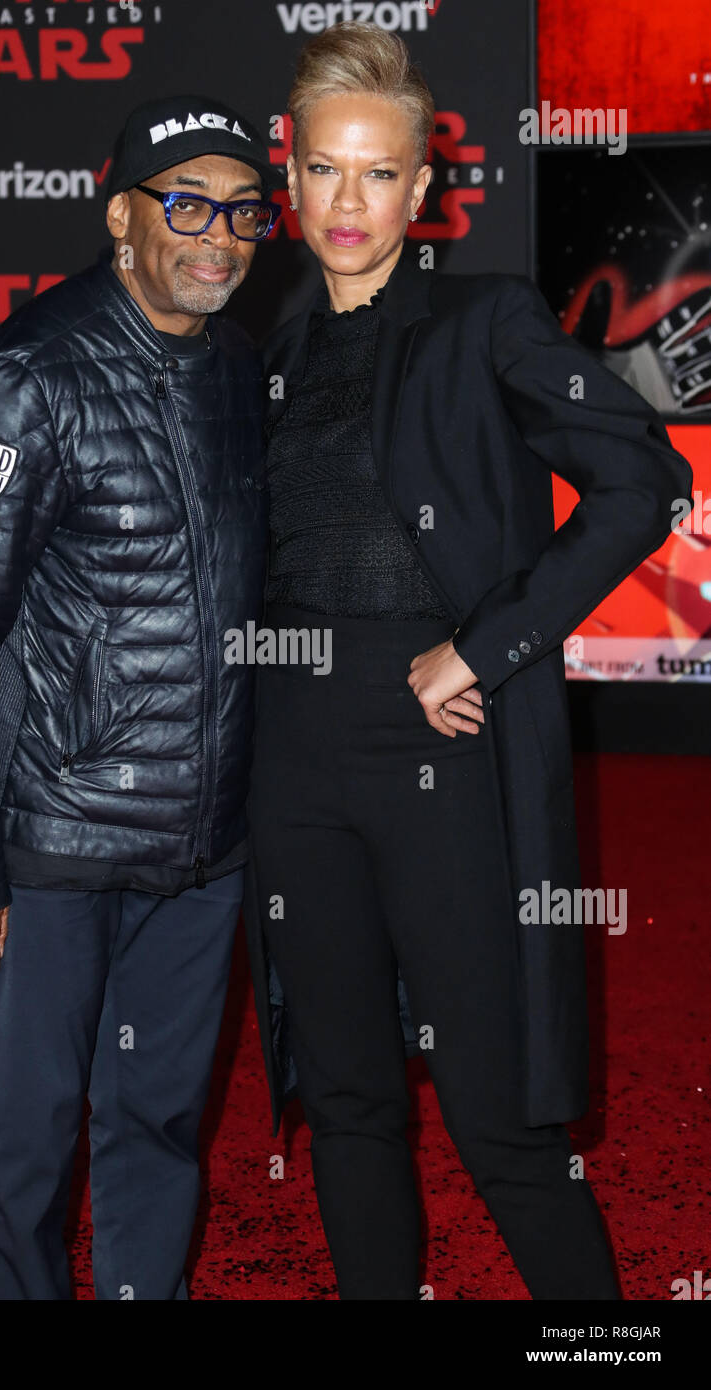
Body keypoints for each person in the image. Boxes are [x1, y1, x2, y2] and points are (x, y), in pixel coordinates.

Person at [243, 22, 694, 1300]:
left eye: (378, 172)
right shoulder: (267, 352)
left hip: (433, 753)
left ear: (422, 188)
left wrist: (486, 647)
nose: (347, 201)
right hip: (289, 763)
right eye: (324, 169)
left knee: (500, 1120)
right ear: (289, 176)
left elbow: (641, 480)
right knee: (346, 1100)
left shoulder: (481, 321)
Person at [0, 93, 280, 1300]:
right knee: (26, 1150)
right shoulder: (22, 378)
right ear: (121, 217)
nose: (219, 236)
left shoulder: (240, 369)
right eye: (187, 206)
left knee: (160, 1127)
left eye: (244, 212)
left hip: (202, 849)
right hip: (51, 839)